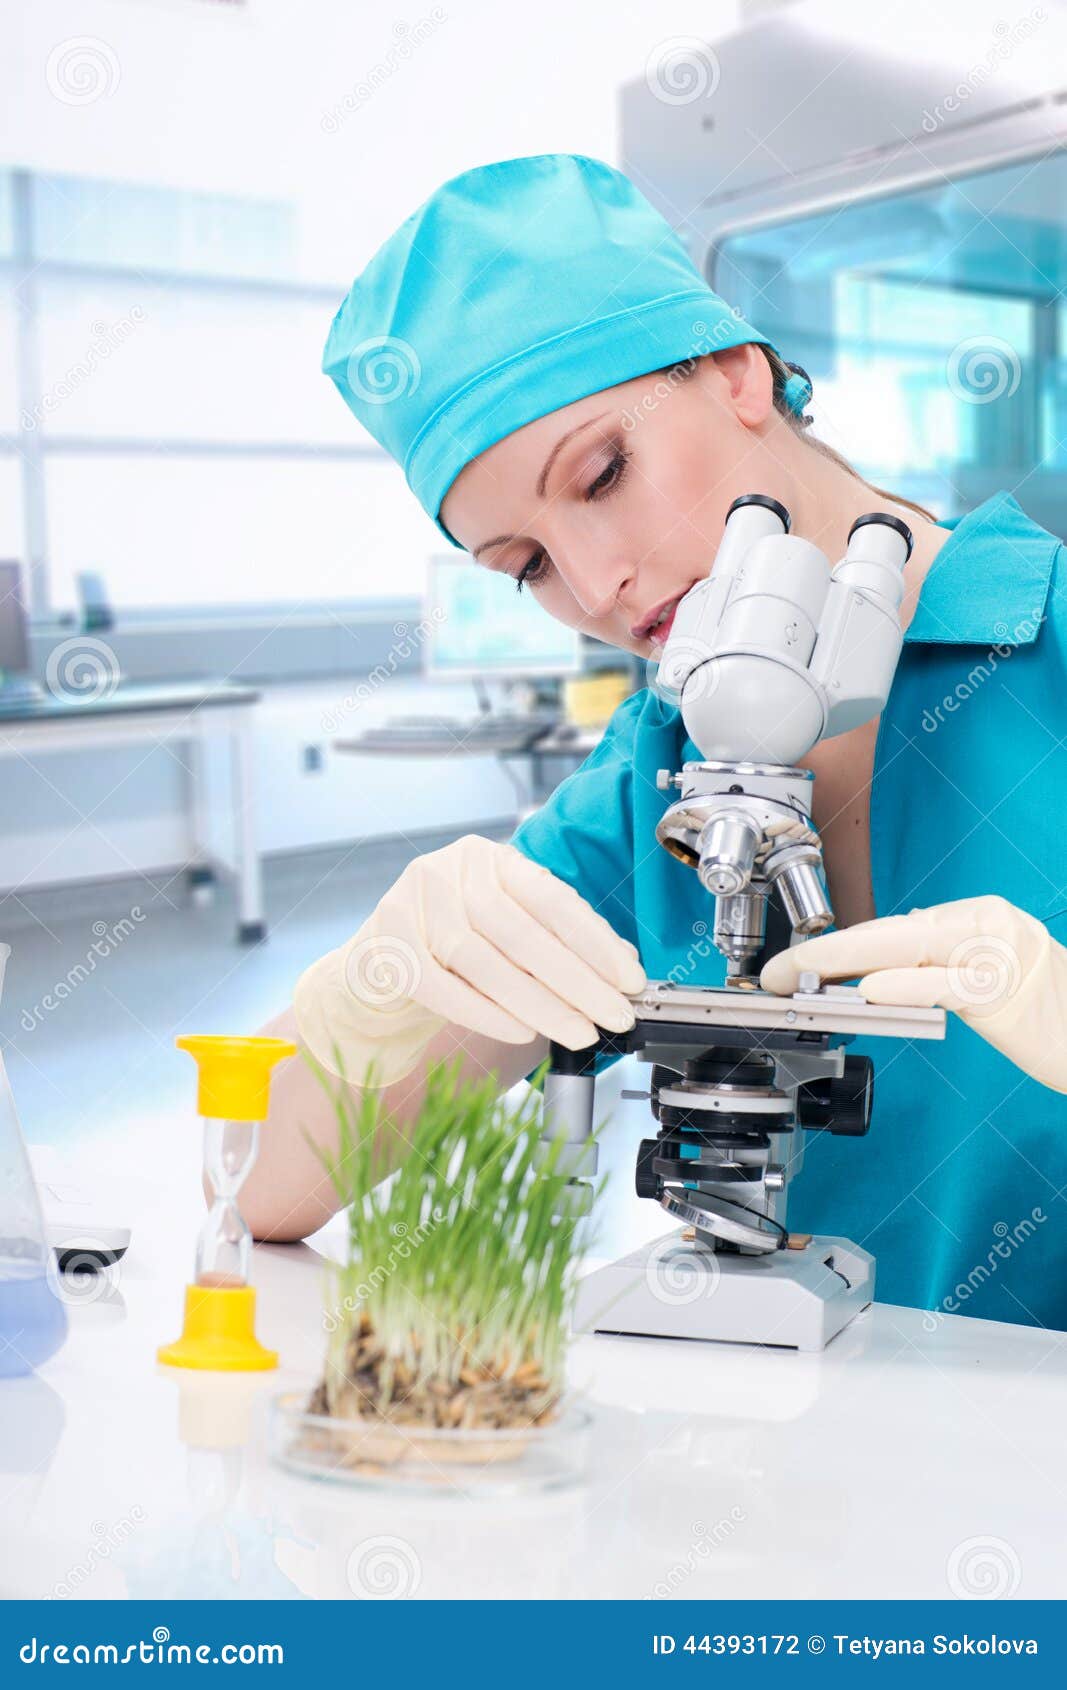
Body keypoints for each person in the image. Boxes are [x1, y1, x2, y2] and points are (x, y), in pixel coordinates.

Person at [246, 154, 1067, 1330]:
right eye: (523, 566)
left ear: (737, 371)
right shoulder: (653, 776)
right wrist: (377, 987)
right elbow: (263, 1184)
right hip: (812, 1469)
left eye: (601, 474)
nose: (590, 584)